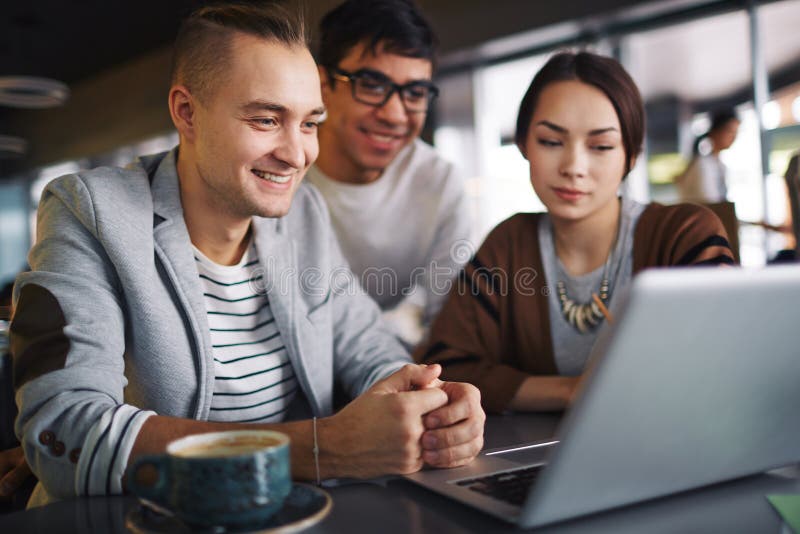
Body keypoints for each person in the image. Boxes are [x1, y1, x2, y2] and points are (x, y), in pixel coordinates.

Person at [6, 3, 483, 506]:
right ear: (186, 112)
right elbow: (64, 435)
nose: (297, 154)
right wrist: (323, 449)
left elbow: (367, 345)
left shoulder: (305, 214)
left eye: (309, 123)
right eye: (265, 119)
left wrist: (426, 402)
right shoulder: (88, 211)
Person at [415, 51, 735, 413]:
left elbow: (725, 363)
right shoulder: (508, 245)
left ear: (631, 155)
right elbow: (445, 367)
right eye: (551, 142)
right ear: (523, 145)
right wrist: (571, 391)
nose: (573, 167)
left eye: (600, 147)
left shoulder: (684, 236)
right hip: (546, 460)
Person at [305, 0, 471, 348]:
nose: (395, 115)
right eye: (372, 85)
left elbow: (451, 321)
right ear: (323, 85)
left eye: (414, 93)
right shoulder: (283, 175)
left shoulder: (439, 182)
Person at [676, 107, 740, 203]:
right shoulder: (702, 165)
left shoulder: (720, 165)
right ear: (716, 132)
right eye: (730, 132)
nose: (733, 138)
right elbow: (710, 202)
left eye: (736, 133)